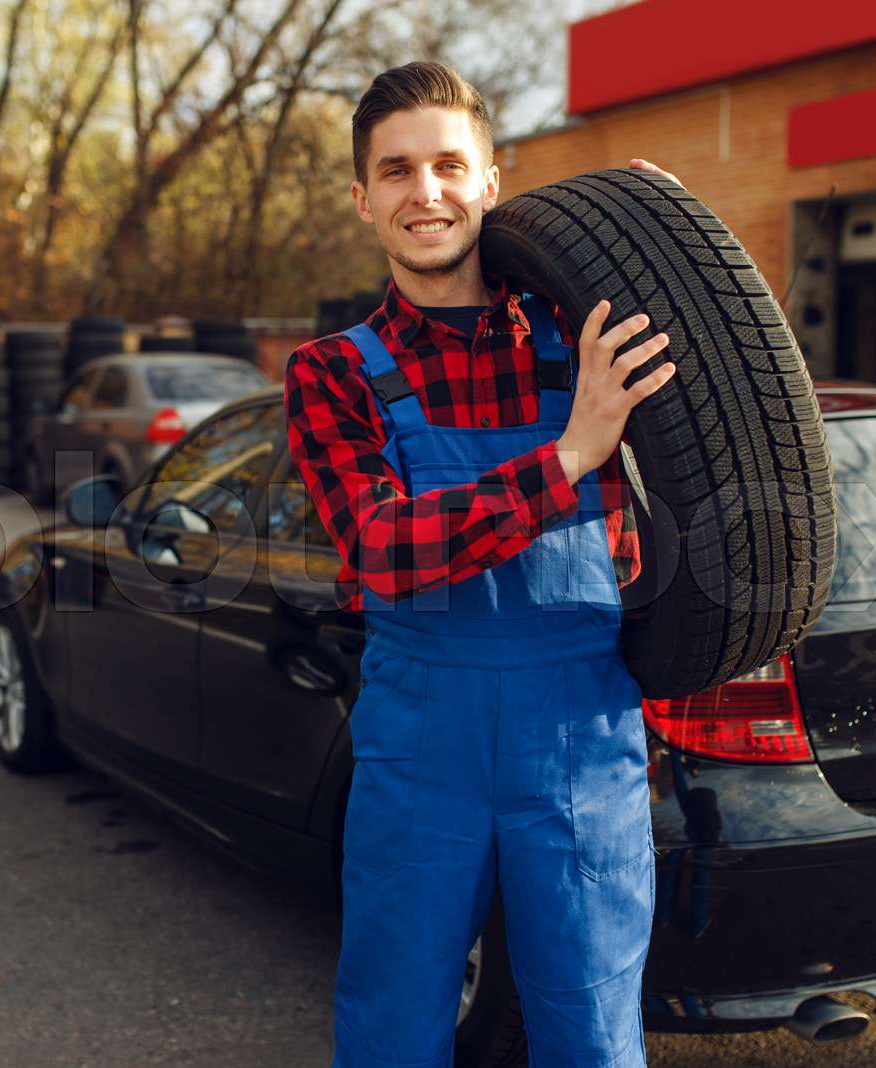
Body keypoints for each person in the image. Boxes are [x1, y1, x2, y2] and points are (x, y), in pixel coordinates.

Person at [283, 60, 680, 1068]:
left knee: (592, 1035)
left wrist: (668, 240)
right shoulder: (334, 373)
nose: (427, 193)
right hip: (421, 751)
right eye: (398, 170)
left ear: (491, 181)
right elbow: (383, 547)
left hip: (582, 741)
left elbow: (739, 410)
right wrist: (566, 459)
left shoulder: (585, 337)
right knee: (391, 1032)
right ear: (362, 198)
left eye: (449, 165)